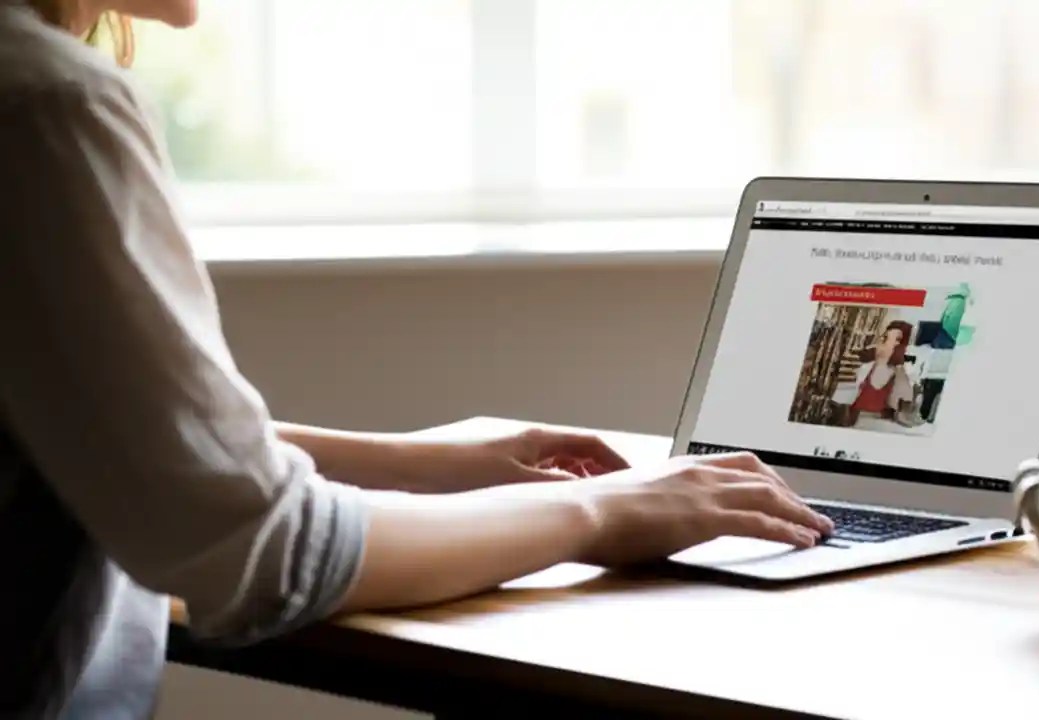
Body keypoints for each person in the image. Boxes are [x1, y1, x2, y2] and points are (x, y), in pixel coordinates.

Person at [0, 1, 834, 717]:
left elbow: (110, 438)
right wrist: (604, 511)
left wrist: (423, 463)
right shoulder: (47, 104)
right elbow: (266, 551)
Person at [830, 320, 915, 428]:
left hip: (867, 419)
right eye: (884, 337)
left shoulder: (892, 368)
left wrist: (882, 358)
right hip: (855, 414)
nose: (881, 343)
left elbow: (876, 383)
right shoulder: (875, 361)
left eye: (887, 339)